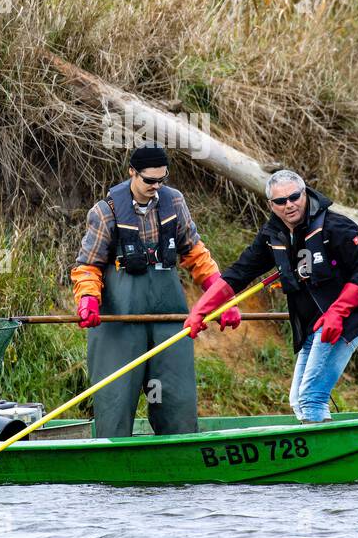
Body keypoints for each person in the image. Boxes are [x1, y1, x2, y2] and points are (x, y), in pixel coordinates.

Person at [71, 142, 240, 437]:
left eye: (162, 180)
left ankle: (177, 456)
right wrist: (88, 300)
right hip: (120, 324)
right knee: (116, 397)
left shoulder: (173, 203)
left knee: (174, 396)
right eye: (149, 180)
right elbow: (88, 266)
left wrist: (221, 298)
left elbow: (196, 255)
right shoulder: (105, 212)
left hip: (168, 319)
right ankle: (112, 461)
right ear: (132, 173)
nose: (156, 187)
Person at [184, 170, 358, 423]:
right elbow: (239, 273)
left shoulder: (336, 226)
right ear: (271, 205)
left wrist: (337, 312)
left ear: (305, 193)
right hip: (312, 324)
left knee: (311, 397)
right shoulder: (272, 235)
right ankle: (319, 448)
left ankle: (322, 456)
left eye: (294, 197)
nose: (289, 205)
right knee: (298, 401)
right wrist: (200, 309)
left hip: (346, 319)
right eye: (280, 201)